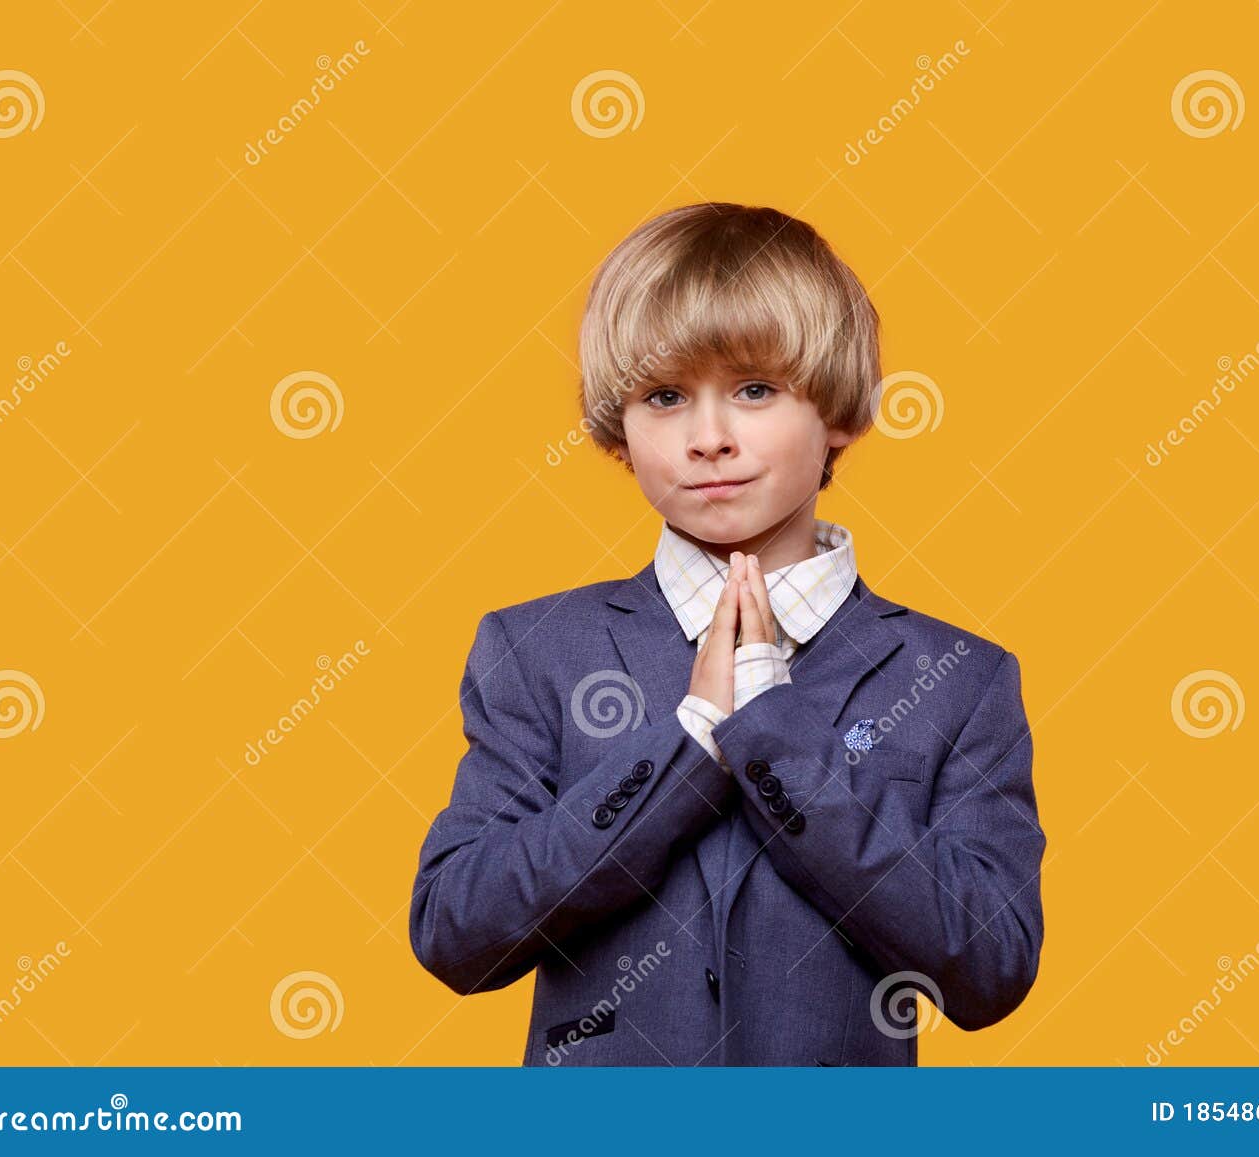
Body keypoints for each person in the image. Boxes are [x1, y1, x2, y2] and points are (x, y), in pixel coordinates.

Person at [408, 202, 1046, 1065]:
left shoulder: (958, 677)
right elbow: (456, 931)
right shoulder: (535, 649)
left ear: (839, 415)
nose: (709, 438)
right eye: (664, 396)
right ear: (619, 433)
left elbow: (991, 966)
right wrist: (691, 743)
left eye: (754, 390)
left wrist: (774, 742)